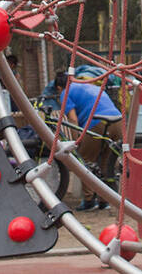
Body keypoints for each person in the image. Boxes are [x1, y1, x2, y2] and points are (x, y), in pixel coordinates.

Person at [59, 71, 124, 211]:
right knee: (107, 163)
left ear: (59, 87)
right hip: (118, 121)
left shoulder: (65, 92)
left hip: (97, 122)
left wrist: (77, 139)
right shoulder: (91, 86)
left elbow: (73, 118)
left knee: (84, 161)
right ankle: (104, 200)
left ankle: (89, 201)